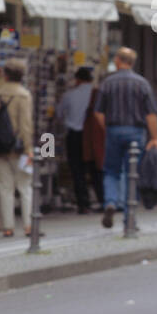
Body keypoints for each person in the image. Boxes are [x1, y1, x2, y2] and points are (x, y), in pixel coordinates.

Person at [93, 48, 157, 228]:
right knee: (132, 173)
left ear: (117, 60)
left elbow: (98, 112)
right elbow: (151, 114)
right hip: (136, 132)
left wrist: (107, 127)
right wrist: (155, 137)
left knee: (111, 171)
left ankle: (110, 202)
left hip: (114, 130)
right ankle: (129, 217)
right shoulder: (142, 83)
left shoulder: (107, 83)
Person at [56, 66, 100, 213]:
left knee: (77, 169)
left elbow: (59, 114)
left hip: (74, 135)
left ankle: (83, 203)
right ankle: (103, 199)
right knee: (95, 167)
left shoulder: (70, 95)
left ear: (78, 80)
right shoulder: (97, 94)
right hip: (92, 135)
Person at [0, 57, 34, 237]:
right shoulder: (24, 95)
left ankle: (8, 227)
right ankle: (28, 225)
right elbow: (26, 125)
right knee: (25, 186)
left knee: (5, 187)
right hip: (19, 147)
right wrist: (29, 149)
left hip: (0, 147)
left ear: (5, 74)